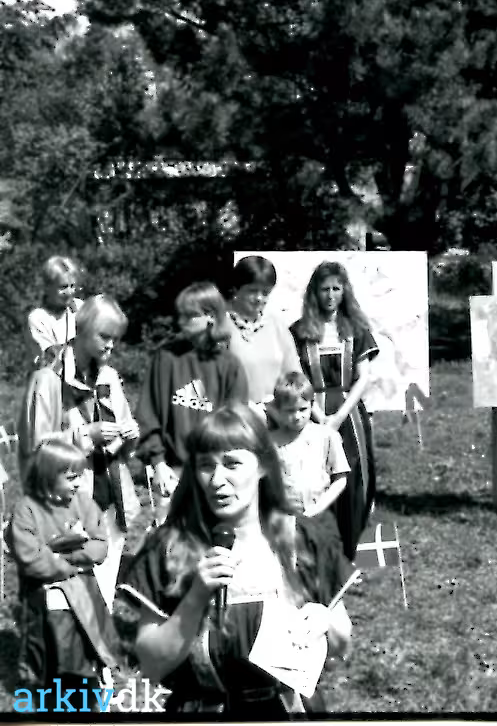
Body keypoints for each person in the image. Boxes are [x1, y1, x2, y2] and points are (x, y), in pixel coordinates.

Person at [116, 404, 355, 715]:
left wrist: (324, 621)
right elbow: (151, 664)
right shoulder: (169, 546)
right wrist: (195, 597)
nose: (217, 480)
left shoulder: (300, 538)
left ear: (263, 467)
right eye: (205, 465)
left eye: (232, 464)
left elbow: (342, 644)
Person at [19, 294, 140, 610]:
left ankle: (100, 650)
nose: (111, 345)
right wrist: (85, 435)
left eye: (115, 339)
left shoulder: (109, 376)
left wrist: (129, 436)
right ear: (82, 329)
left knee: (107, 569)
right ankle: (68, 650)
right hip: (66, 497)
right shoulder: (48, 377)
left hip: (110, 493)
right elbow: (37, 446)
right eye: (104, 336)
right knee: (66, 587)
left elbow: (123, 429)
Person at [6, 441, 120, 695]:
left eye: (80, 476)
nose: (79, 483)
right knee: (57, 638)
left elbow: (100, 546)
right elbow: (30, 558)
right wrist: (68, 563)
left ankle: (92, 671)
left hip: (82, 585)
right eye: (71, 478)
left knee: (90, 634)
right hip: (46, 590)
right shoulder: (27, 509)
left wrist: (63, 554)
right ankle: (57, 683)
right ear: (47, 478)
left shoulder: (84, 504)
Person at [137, 282, 249, 523]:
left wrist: (222, 470)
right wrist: (157, 464)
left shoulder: (229, 365)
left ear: (210, 316)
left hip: (214, 473)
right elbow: (148, 415)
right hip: (171, 471)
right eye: (181, 315)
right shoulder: (166, 357)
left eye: (189, 316)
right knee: (173, 550)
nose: (181, 322)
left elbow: (235, 425)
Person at [289, 262, 379, 561]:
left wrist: (338, 417)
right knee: (313, 478)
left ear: (345, 291)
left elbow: (363, 377)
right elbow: (297, 376)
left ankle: (349, 553)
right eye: (324, 289)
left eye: (336, 289)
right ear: (315, 292)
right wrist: (317, 415)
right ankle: (315, 552)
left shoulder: (356, 329)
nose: (330, 295)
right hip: (308, 413)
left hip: (349, 415)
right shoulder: (299, 332)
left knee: (353, 480)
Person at [267, 371, 349, 543]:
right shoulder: (270, 442)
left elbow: (340, 478)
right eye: (290, 411)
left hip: (320, 518)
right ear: (278, 409)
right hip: (283, 522)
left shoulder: (326, 436)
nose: (297, 416)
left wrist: (318, 507)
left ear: (312, 405)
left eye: (302, 409)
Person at [226, 256, 304, 410]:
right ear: (235, 289)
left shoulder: (277, 326)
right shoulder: (220, 326)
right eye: (252, 291)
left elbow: (294, 376)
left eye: (265, 292)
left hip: (276, 419)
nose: (259, 298)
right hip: (234, 420)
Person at [26, 255, 85, 370]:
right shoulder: (38, 318)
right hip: (52, 381)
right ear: (47, 287)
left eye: (72, 286)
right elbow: (52, 358)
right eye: (63, 287)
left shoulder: (79, 307)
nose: (69, 292)